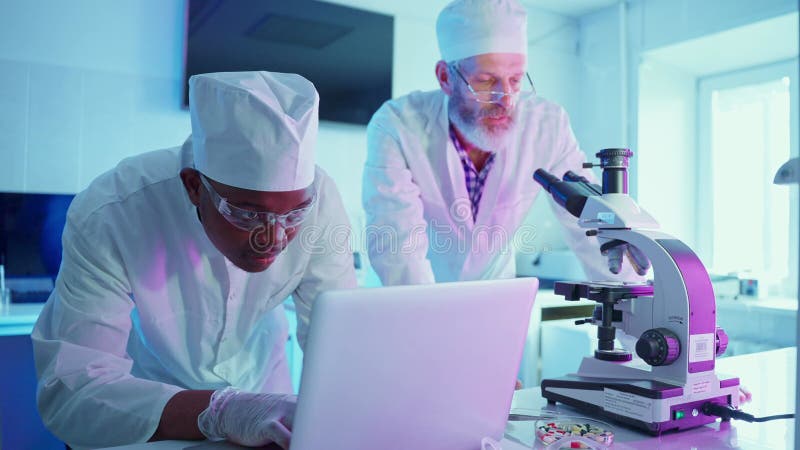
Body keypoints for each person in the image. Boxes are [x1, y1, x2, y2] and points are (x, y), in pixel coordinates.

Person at [32, 71, 356, 449]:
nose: (274, 237)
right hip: (145, 409)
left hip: (265, 396)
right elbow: (73, 391)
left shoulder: (321, 201)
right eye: (247, 213)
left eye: (293, 214)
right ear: (193, 186)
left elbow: (340, 345)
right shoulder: (113, 211)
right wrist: (222, 411)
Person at [362, 0, 648, 286]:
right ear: (445, 78)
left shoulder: (547, 125)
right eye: (486, 81)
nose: (507, 100)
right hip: (410, 298)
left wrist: (634, 300)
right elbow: (398, 246)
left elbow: (588, 220)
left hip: (494, 297)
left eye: (515, 79)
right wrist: (426, 318)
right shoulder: (397, 125)